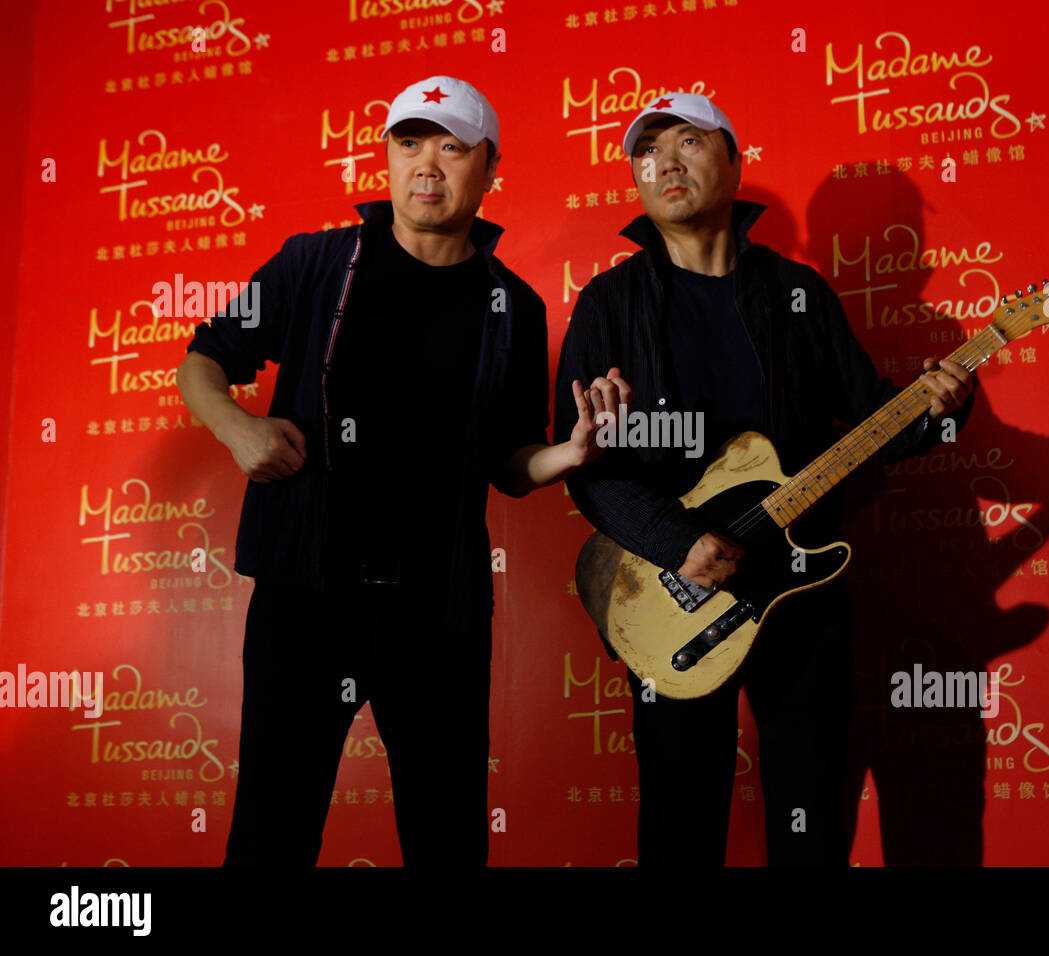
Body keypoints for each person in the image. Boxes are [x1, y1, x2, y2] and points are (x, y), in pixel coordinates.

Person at [178, 75, 615, 866]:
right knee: (271, 829)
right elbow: (205, 359)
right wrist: (237, 428)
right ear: (385, 158)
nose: (427, 166)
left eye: (452, 148)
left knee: (447, 838)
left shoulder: (512, 305)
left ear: (489, 167)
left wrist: (570, 453)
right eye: (409, 143)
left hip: (437, 612)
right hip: (306, 598)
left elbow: (509, 464)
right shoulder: (313, 264)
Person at [554, 93, 976, 866]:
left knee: (811, 815)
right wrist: (681, 542)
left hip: (804, 593)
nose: (667, 162)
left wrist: (940, 407)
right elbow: (588, 472)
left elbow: (871, 431)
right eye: (647, 152)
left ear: (735, 162)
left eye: (687, 140)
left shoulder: (800, 293)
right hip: (674, 597)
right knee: (681, 824)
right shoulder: (610, 303)